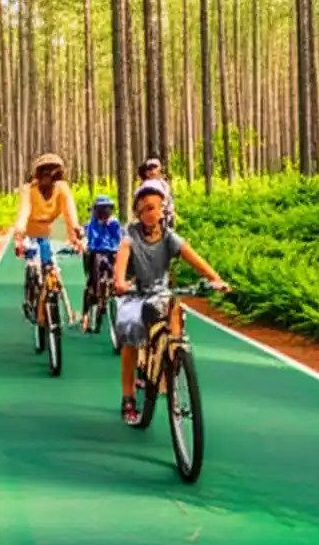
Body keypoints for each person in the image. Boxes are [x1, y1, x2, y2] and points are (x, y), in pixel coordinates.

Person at [112, 179, 228, 425]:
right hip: (134, 293)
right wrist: (120, 281)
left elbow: (192, 256)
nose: (156, 212)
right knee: (131, 333)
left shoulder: (168, 237)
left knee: (176, 316)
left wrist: (216, 279)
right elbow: (122, 255)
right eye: (150, 208)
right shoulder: (130, 234)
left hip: (160, 293)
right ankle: (128, 395)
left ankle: (172, 363)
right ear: (139, 213)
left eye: (160, 206)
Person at [12, 153, 84, 269]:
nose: (46, 177)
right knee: (33, 264)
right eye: (43, 172)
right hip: (31, 231)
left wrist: (75, 233)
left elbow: (69, 212)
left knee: (51, 267)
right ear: (38, 175)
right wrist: (19, 234)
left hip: (52, 232)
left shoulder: (62, 188)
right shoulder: (29, 190)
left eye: (49, 173)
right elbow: (24, 212)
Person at [80, 195, 122, 332]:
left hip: (112, 254)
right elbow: (86, 236)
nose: (104, 212)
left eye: (107, 209)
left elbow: (120, 239)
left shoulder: (114, 224)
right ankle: (86, 314)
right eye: (101, 209)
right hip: (95, 253)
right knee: (91, 282)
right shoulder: (91, 223)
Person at [136, 157, 176, 229]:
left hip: (162, 217)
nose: (152, 171)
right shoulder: (143, 185)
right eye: (149, 169)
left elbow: (169, 201)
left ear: (159, 169)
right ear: (146, 172)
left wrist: (169, 214)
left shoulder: (164, 185)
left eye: (155, 168)